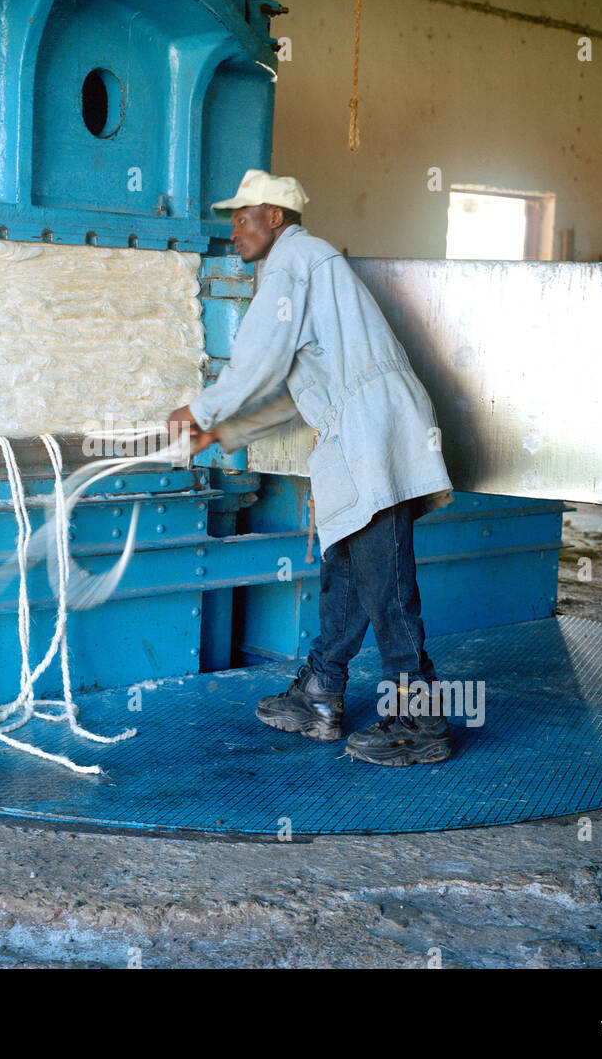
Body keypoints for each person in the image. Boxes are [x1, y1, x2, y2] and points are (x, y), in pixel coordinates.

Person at [167, 169, 456, 766]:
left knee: (384, 576)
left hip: (375, 429)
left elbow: (258, 360)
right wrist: (224, 431)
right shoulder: (298, 267)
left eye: (244, 218)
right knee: (345, 569)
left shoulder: (296, 259)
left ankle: (421, 718)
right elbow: (287, 390)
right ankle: (320, 693)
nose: (236, 231)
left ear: (275, 217)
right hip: (355, 431)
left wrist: (197, 409)